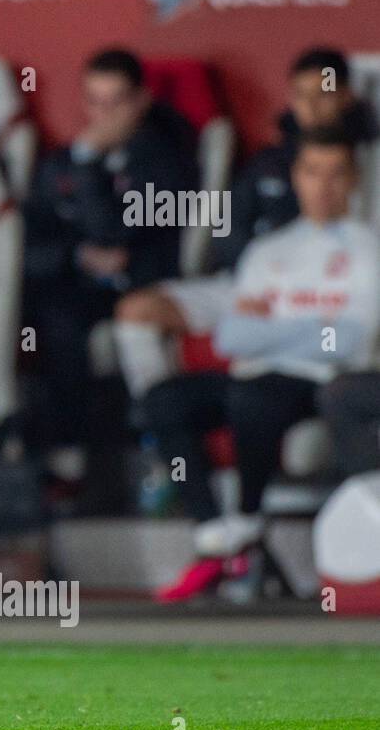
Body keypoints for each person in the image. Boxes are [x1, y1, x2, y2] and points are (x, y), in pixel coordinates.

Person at [145, 128, 380, 602]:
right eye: (313, 172)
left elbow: (352, 339)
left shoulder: (367, 249)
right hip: (255, 374)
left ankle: (248, 520)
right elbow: (232, 337)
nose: (324, 185)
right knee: (164, 399)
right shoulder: (268, 250)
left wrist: (272, 328)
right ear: (296, 177)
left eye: (336, 173)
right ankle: (214, 530)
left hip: (323, 381)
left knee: (255, 394)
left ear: (354, 179)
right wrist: (314, 324)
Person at [115, 48, 380, 401]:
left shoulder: (372, 160)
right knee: (138, 310)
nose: (312, 107)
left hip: (332, 290)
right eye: (302, 96)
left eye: (323, 95)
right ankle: (156, 414)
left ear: (347, 97)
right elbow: (231, 227)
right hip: (257, 282)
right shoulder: (270, 161)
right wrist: (252, 280)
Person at [22, 48, 198, 487]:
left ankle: (149, 463)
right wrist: (77, 254)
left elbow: (112, 233)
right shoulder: (65, 159)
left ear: (141, 100)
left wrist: (87, 166)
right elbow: (32, 235)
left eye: (115, 102)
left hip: (144, 286)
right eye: (94, 102)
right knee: (44, 312)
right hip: (80, 287)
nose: (103, 115)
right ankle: (63, 460)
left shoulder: (165, 155)